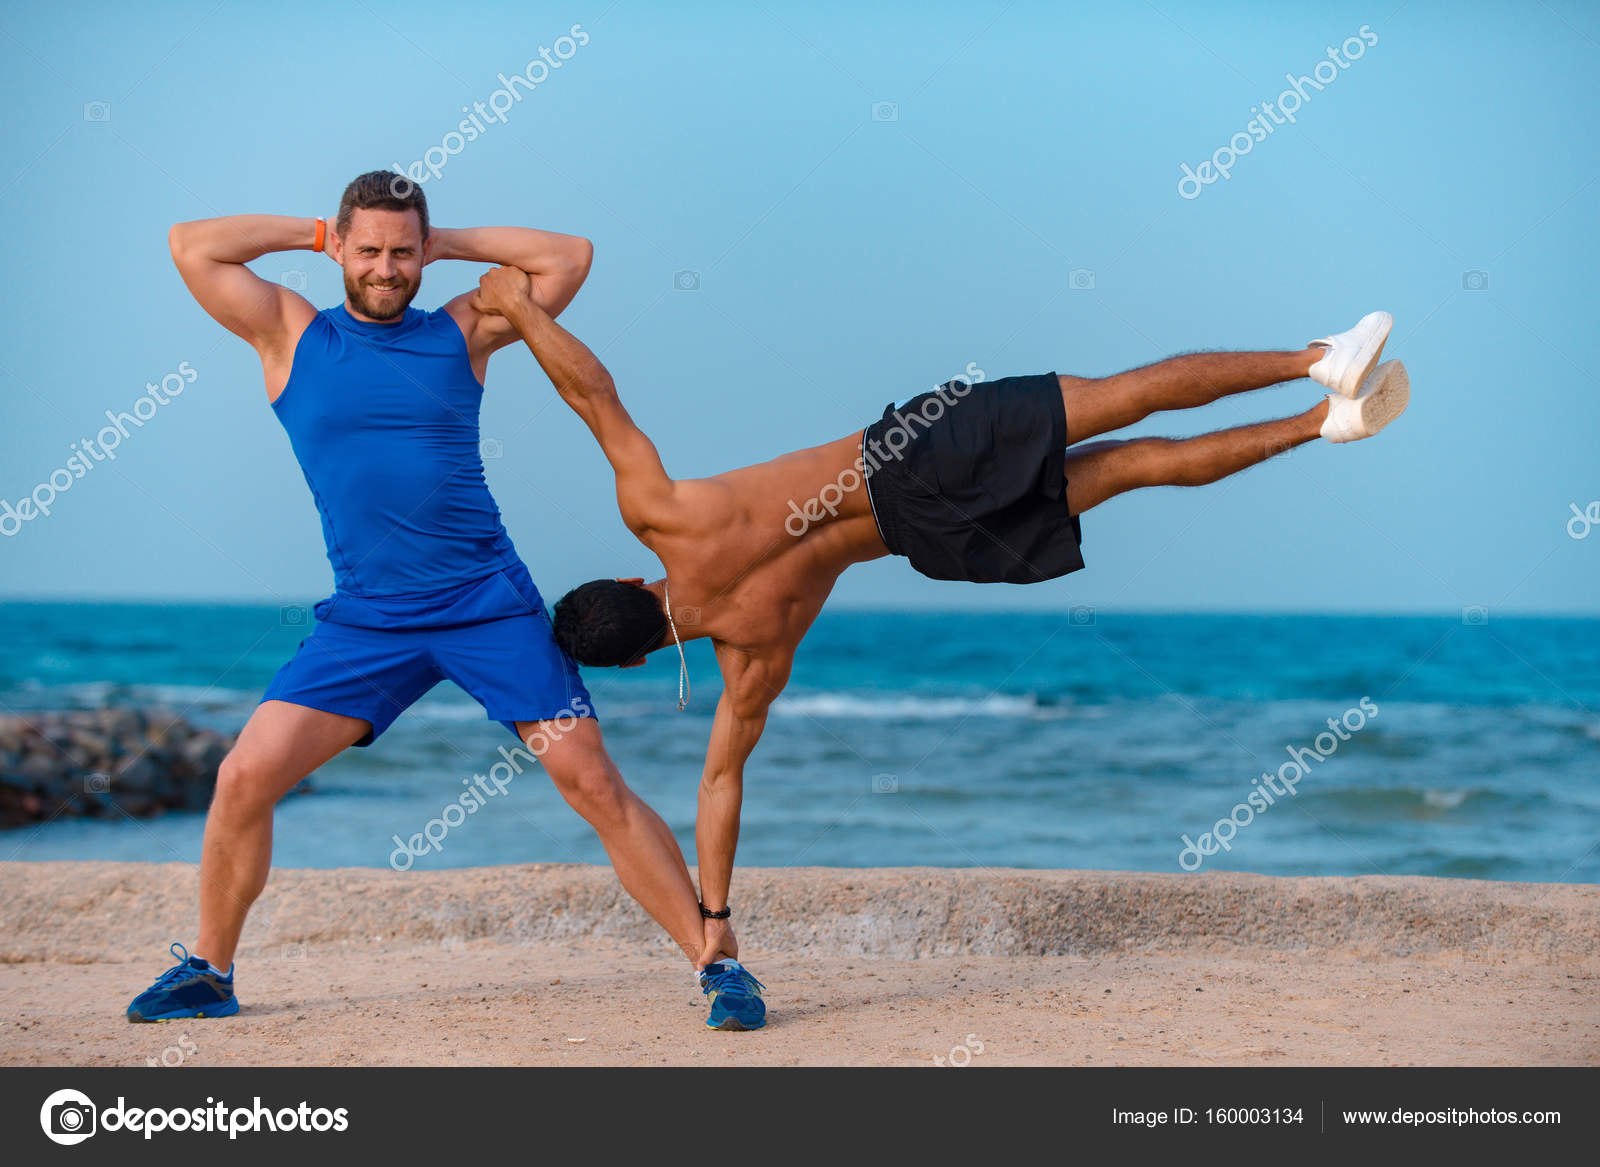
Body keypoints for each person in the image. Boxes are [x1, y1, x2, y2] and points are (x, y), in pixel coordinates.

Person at [468, 263, 1408, 972]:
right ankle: (1318, 362)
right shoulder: (662, 514)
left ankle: (1318, 429)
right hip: (911, 460)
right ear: (631, 585)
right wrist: (520, 310)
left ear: (640, 656)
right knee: (1120, 396)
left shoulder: (753, 649)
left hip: (932, 541)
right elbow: (593, 394)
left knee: (1134, 466)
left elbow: (721, 784)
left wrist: (713, 925)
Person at [128, 173, 766, 1033]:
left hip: (486, 607)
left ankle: (715, 964)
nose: (387, 268)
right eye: (369, 250)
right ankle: (210, 969)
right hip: (367, 620)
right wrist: (316, 229)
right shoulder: (290, 334)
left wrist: (447, 242)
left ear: (421, 253)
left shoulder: (461, 331)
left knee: (592, 782)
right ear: (341, 250)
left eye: (402, 251)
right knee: (242, 775)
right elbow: (191, 243)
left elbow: (566, 257)